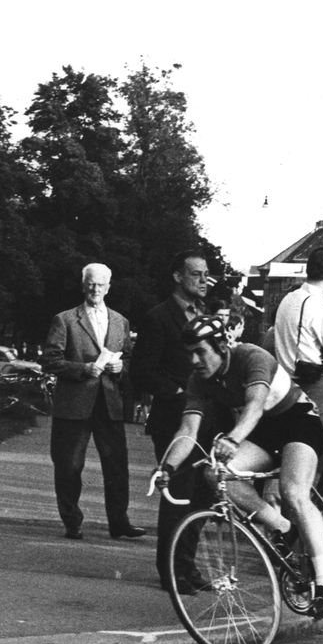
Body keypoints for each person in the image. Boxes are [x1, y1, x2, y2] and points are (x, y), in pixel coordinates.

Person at [155, 316, 323, 612]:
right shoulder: (199, 380)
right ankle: (282, 527)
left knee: (293, 492)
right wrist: (166, 467)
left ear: (221, 347)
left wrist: (231, 440)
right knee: (216, 473)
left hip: (299, 422)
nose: (194, 360)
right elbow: (188, 430)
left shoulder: (251, 356)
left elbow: (255, 406)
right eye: (189, 352)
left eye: (201, 351)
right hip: (262, 433)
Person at [131, 250, 220, 592]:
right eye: (196, 274)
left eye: (206, 274)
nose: (203, 280)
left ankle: (187, 565)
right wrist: (179, 391)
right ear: (178, 277)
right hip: (173, 422)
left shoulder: (207, 316)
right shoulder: (158, 317)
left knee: (202, 498)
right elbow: (142, 372)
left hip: (206, 423)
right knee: (178, 497)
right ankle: (171, 571)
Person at [41, 262, 145, 541]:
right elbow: (50, 361)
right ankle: (72, 521)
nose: (96, 289)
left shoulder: (120, 321)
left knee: (116, 465)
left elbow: (129, 358)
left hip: (109, 402)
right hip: (74, 404)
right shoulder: (65, 320)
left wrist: (121, 370)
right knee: (69, 466)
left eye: (101, 284)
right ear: (83, 285)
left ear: (109, 287)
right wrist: (82, 369)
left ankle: (119, 522)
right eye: (91, 284)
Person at [272, 246, 323, 498]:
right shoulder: (321, 307)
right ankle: (305, 519)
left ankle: (278, 522)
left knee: (286, 453)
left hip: (284, 386)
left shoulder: (288, 300)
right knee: (316, 451)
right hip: (315, 386)